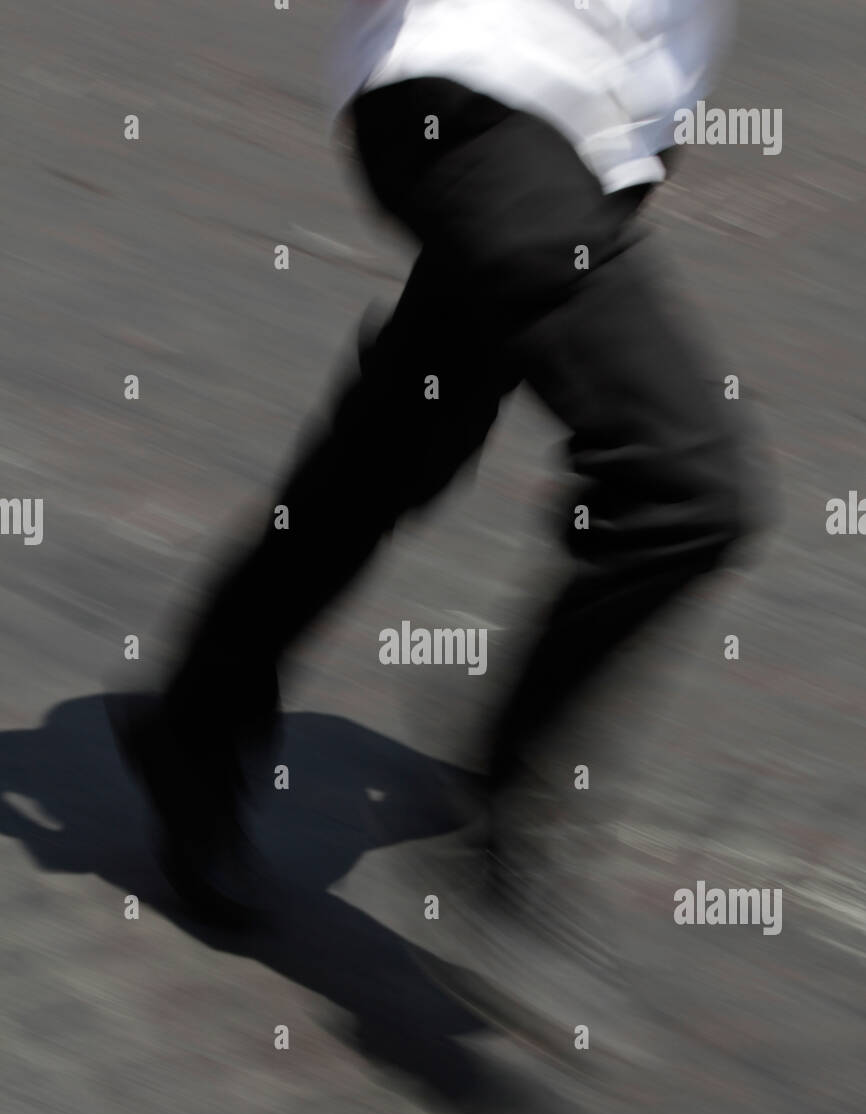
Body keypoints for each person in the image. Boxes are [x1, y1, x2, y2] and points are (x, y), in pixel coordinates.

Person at [112, 0, 767, 1060]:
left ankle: (197, 717)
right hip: (477, 88)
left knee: (393, 451)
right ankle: (504, 856)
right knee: (679, 482)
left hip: (598, 140)